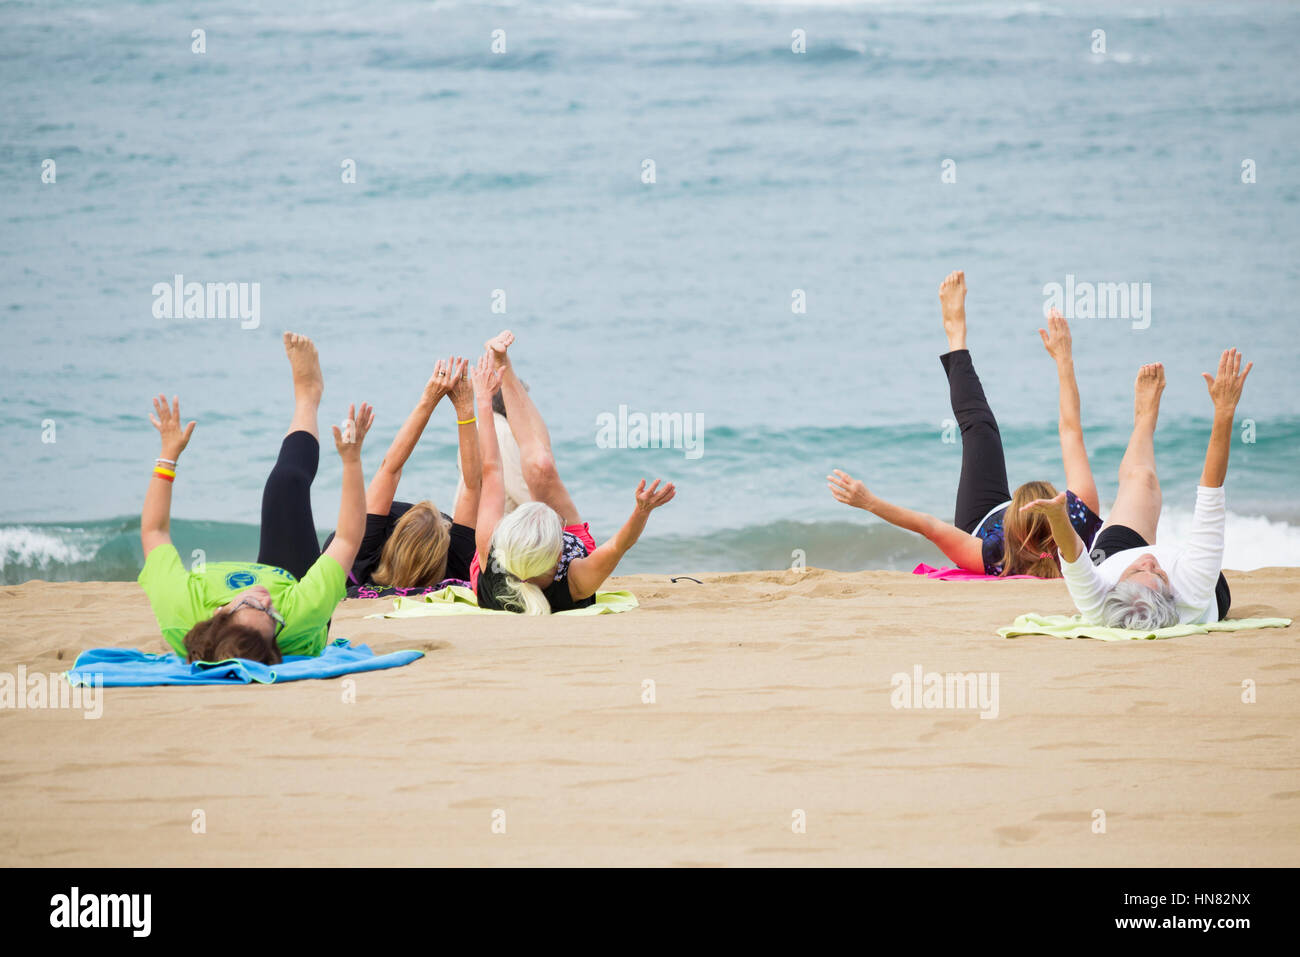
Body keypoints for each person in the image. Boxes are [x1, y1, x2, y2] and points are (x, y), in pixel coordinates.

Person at [828, 271, 1103, 577]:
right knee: (982, 429)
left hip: (981, 519)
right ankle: (956, 336)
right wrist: (1064, 361)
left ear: (1013, 527)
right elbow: (1070, 432)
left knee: (980, 428)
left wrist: (868, 502)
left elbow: (929, 527)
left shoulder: (993, 553)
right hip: (1019, 527)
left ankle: (955, 334)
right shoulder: (1079, 517)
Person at [137, 332, 373, 664]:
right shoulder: (295, 617)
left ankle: (307, 396)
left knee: (278, 488)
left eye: (250, 605)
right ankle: (308, 396)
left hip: (227, 605)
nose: (265, 600)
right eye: (269, 616)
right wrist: (351, 460)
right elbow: (348, 539)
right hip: (290, 580)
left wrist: (168, 455)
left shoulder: (179, 607)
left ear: (219, 614)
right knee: (285, 485)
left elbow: (154, 532)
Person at [1022, 350, 1251, 628]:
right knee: (1200, 552)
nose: (1149, 560)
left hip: (1119, 556)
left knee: (1141, 479)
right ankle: (1147, 419)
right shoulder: (1192, 587)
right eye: (1157, 573)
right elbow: (1210, 490)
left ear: (1116, 585)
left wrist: (1058, 517)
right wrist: (1224, 411)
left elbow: (1073, 555)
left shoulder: (1097, 599)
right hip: (1207, 589)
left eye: (1138, 570)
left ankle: (1145, 420)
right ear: (1172, 595)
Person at [469, 331, 676, 614]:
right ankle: (506, 366)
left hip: (511, 560)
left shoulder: (491, 552)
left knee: (538, 467)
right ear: (560, 554)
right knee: (541, 464)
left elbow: (492, 470)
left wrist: (483, 399)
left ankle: (504, 365)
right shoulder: (578, 580)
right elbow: (619, 545)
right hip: (540, 560)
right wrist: (641, 512)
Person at [324, 356, 481, 596]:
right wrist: (466, 409)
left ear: (393, 543)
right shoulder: (455, 572)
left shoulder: (360, 560)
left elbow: (390, 470)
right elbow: (472, 486)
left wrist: (428, 400)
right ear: (441, 553)